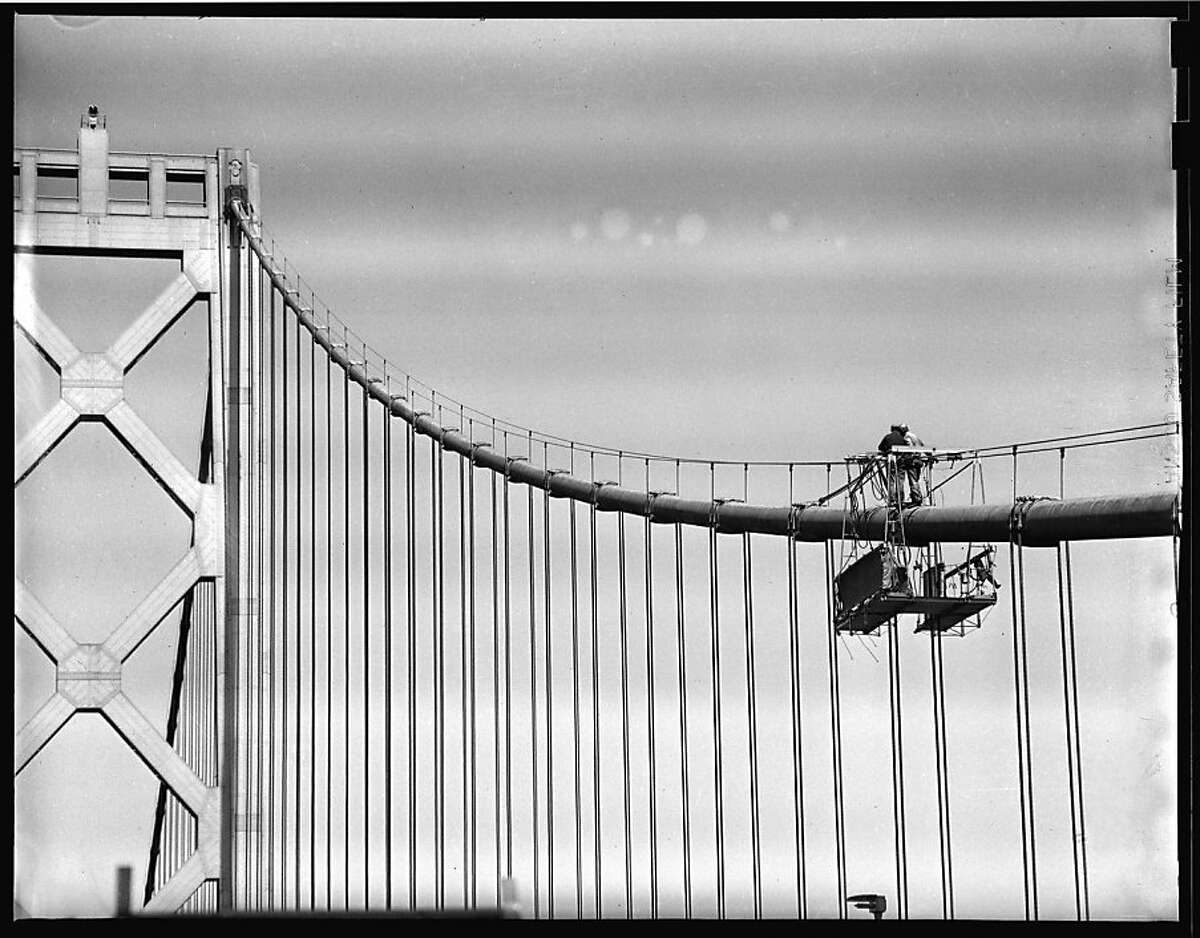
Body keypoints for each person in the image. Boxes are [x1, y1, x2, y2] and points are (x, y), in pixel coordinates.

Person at [877, 422, 926, 506]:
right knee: (901, 480)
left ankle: (893, 500)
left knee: (892, 480)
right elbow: (922, 446)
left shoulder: (905, 437)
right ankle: (902, 499)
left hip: (906, 460)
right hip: (906, 460)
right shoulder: (906, 437)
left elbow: (880, 448)